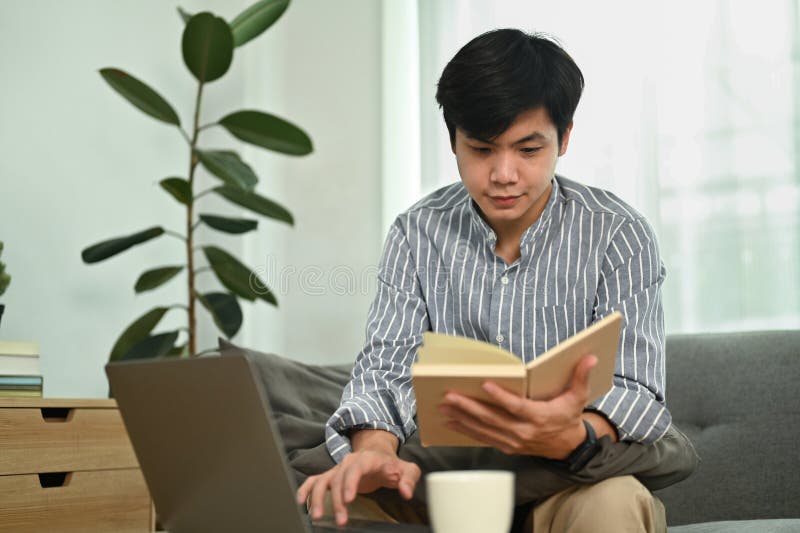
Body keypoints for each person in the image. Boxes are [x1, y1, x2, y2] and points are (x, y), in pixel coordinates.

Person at [297, 28, 696, 532]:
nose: (504, 174)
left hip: (571, 477)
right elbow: (385, 369)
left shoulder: (618, 233)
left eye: (528, 150)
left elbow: (638, 390)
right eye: (482, 150)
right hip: (443, 481)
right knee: (325, 501)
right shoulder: (417, 232)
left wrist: (575, 433)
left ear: (565, 138)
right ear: (454, 141)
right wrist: (375, 449)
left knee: (614, 503)